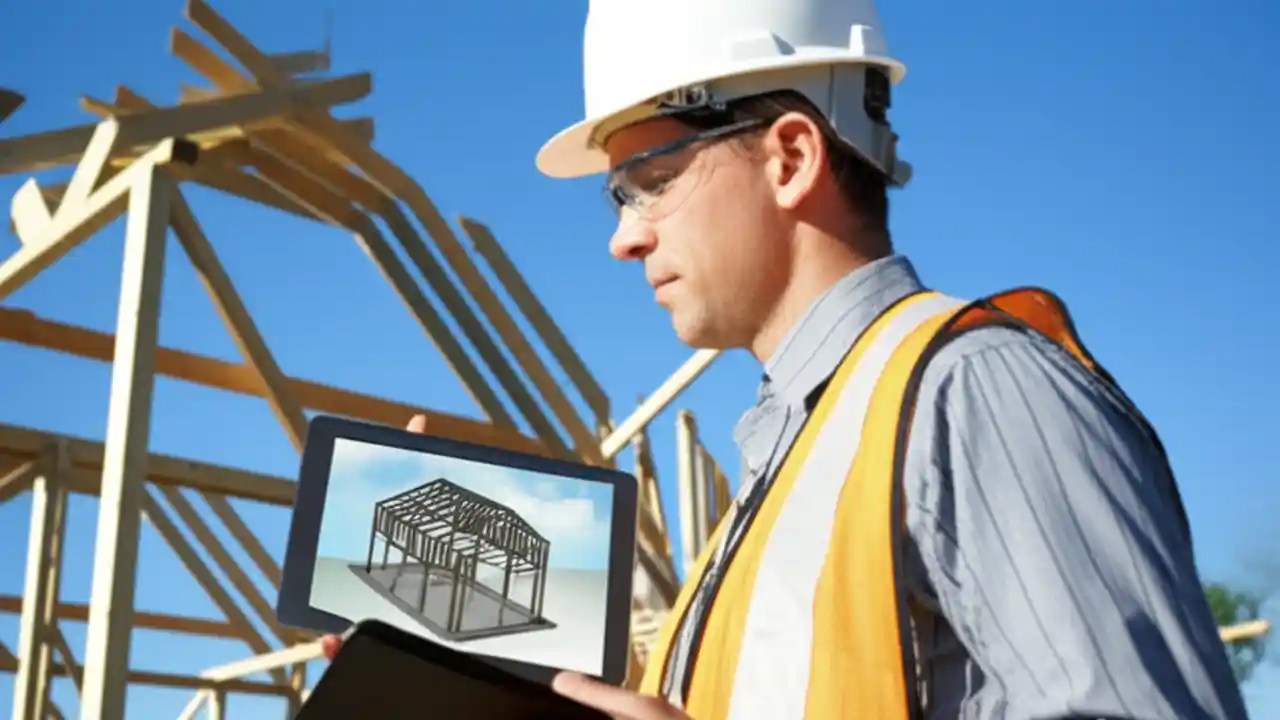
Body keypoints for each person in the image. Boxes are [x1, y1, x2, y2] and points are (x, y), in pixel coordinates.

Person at [321, 1, 1251, 718]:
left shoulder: (974, 391)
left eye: (651, 182)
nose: (623, 239)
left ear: (792, 158)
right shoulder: (767, 501)